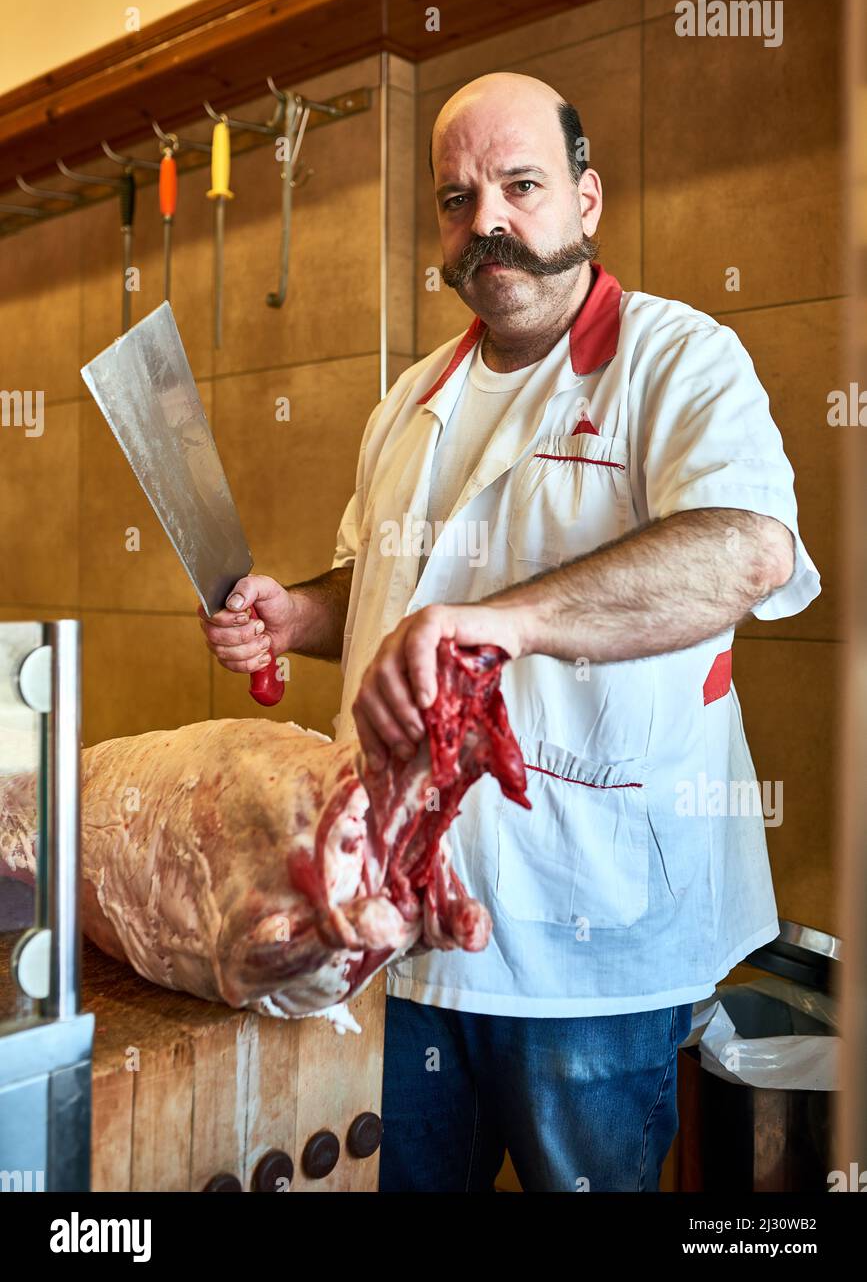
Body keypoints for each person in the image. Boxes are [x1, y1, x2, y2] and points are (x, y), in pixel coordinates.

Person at [199, 72, 820, 1192]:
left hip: (591, 942)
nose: (486, 220)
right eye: (456, 198)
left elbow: (746, 551)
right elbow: (390, 585)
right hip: (406, 930)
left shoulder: (678, 357)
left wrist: (502, 623)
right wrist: (299, 612)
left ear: (585, 199)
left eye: (520, 185)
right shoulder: (408, 400)